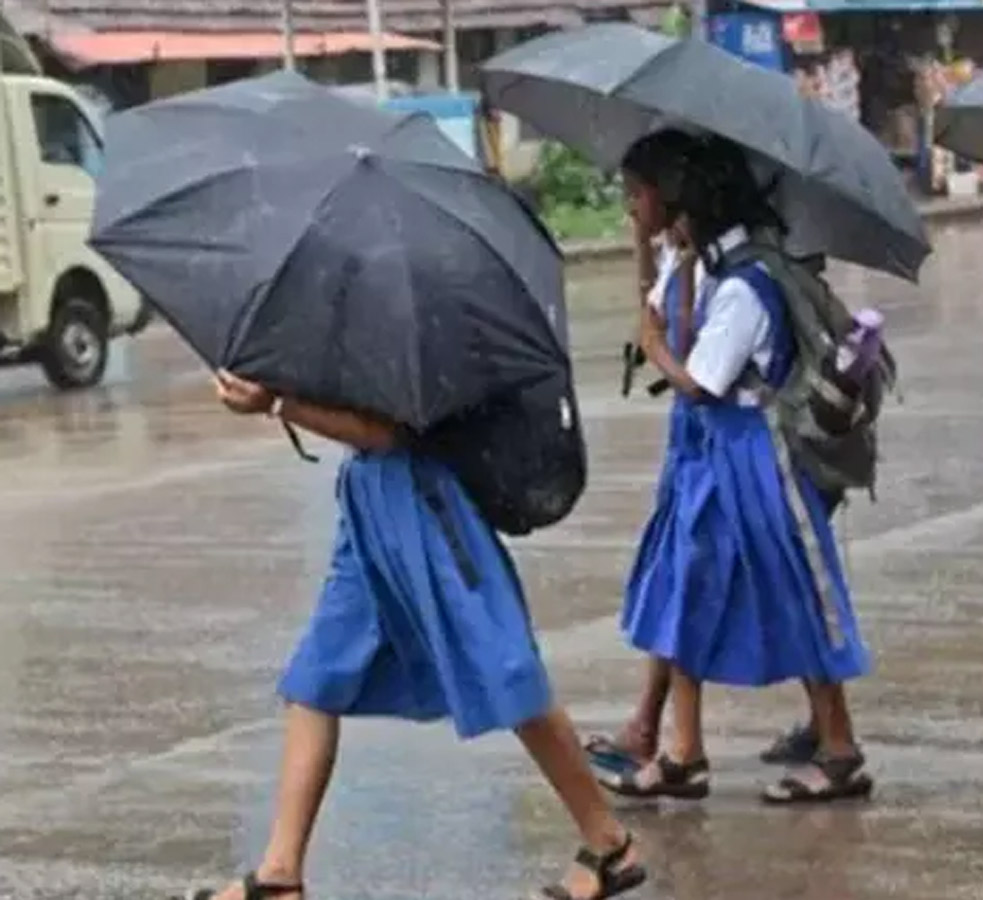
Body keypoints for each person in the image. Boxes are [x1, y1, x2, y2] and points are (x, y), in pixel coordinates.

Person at [178, 372, 646, 900]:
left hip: (427, 506)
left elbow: (385, 429)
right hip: (369, 503)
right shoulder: (362, 306)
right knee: (315, 676)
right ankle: (280, 875)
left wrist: (278, 403)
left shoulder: (409, 311)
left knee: (507, 671)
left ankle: (610, 844)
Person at [601, 135, 874, 804]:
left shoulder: (748, 285)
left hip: (755, 459)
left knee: (796, 596)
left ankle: (840, 749)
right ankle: (683, 752)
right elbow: (667, 311)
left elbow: (702, 380)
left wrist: (658, 349)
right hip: (712, 456)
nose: (631, 204)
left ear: (680, 200)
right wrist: (661, 266)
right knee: (684, 590)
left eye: (639, 192)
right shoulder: (704, 267)